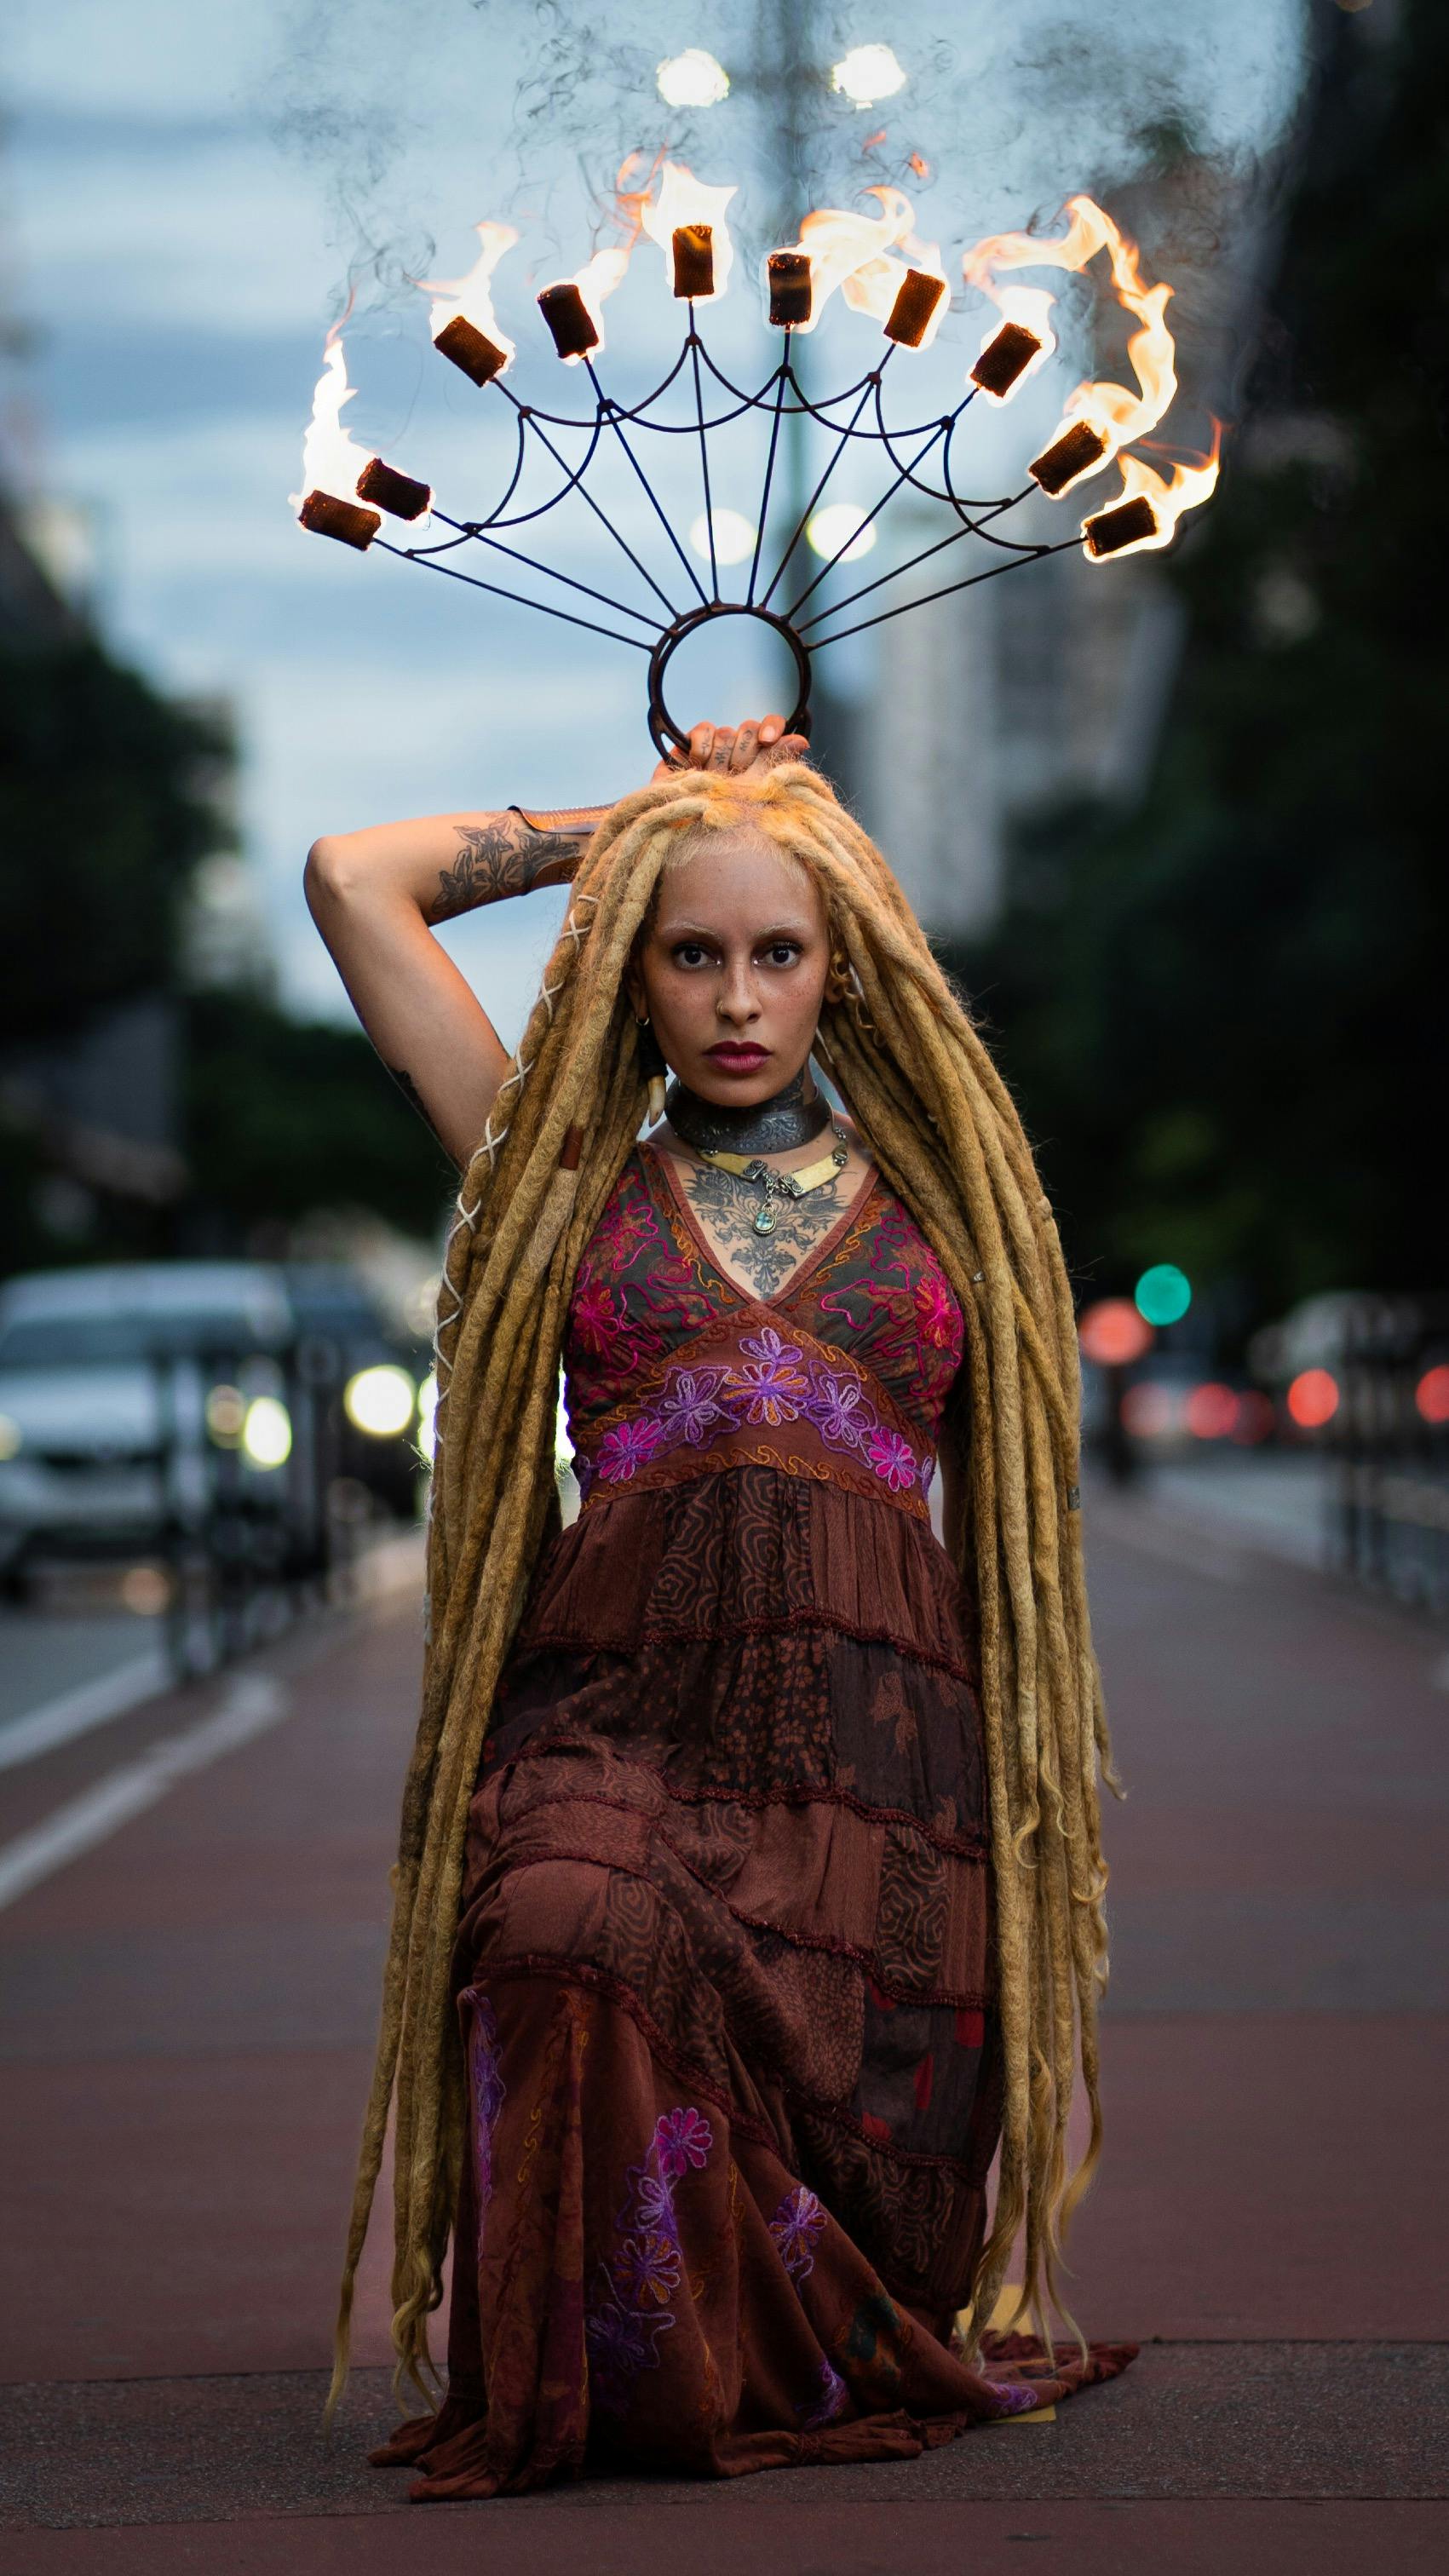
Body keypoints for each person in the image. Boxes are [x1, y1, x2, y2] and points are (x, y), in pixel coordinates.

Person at [305, 714, 1133, 2498]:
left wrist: (747, 834)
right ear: (633, 965)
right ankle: (612, 2375)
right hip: (614, 1722)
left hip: (876, 1781)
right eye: (691, 952)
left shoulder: (948, 1190)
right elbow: (354, 879)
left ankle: (771, 2351)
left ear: (843, 968)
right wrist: (650, 819)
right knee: (553, 1921)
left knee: (877, 2201)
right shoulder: (553, 1173)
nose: (737, 998)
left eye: (777, 951)